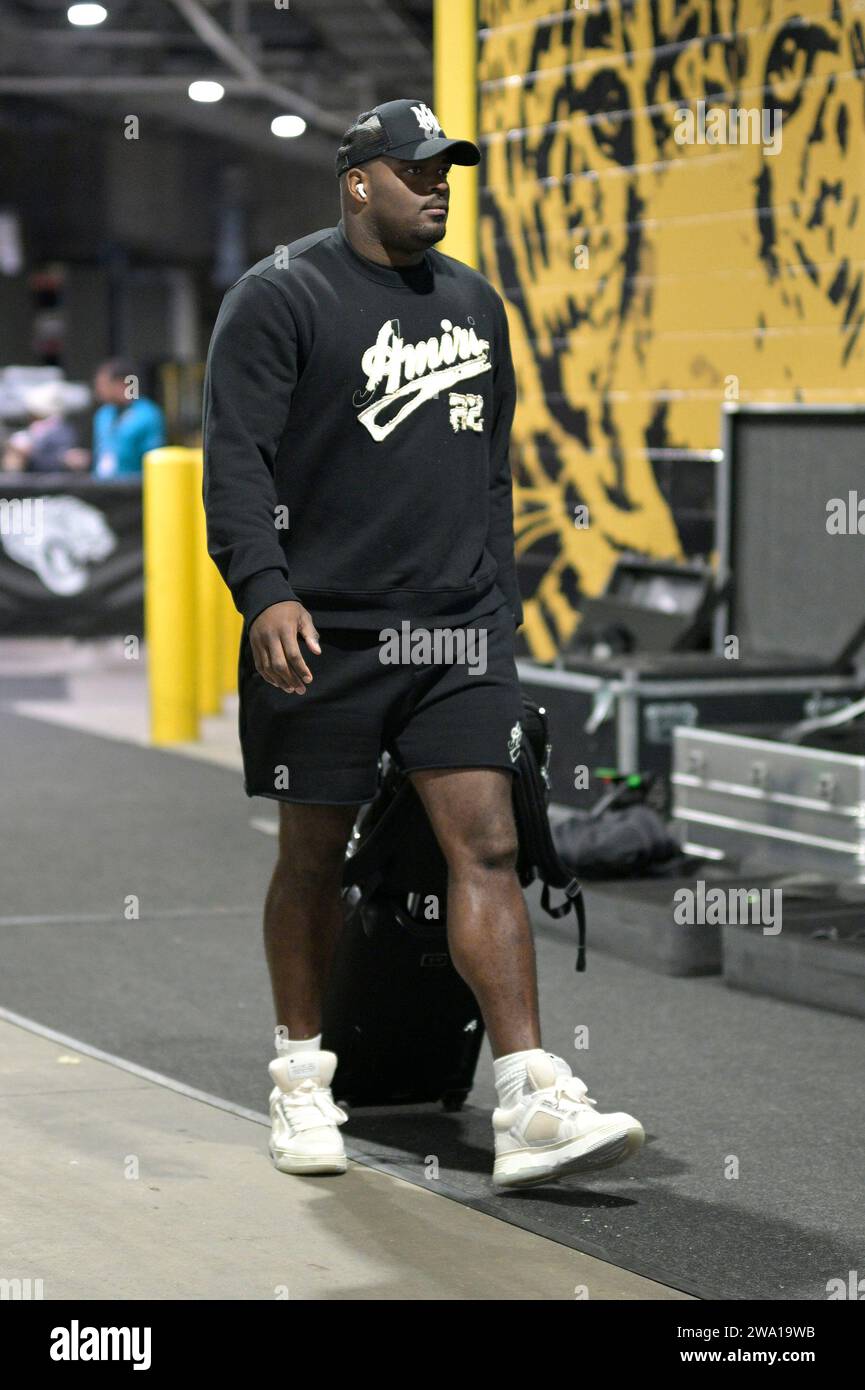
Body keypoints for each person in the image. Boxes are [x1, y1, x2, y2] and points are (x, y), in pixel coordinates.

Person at [202, 98, 645, 1189]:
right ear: (358, 181)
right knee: (312, 860)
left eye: (445, 169)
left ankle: (530, 1096)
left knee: (485, 845)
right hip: (325, 633)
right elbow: (236, 466)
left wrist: (496, 603)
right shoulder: (279, 295)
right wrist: (264, 595)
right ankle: (302, 1081)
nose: (436, 185)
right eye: (414, 170)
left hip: (452, 632)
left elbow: (489, 473)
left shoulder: (475, 304)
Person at [91, 359, 166, 478]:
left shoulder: (147, 414)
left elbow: (153, 456)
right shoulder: (103, 414)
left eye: (103, 384)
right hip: (102, 486)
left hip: (134, 487)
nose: (99, 390)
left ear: (121, 383)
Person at [1, 381, 87, 473]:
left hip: (52, 481)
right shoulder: (35, 429)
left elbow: (61, 459)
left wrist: (30, 453)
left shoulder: (61, 430)